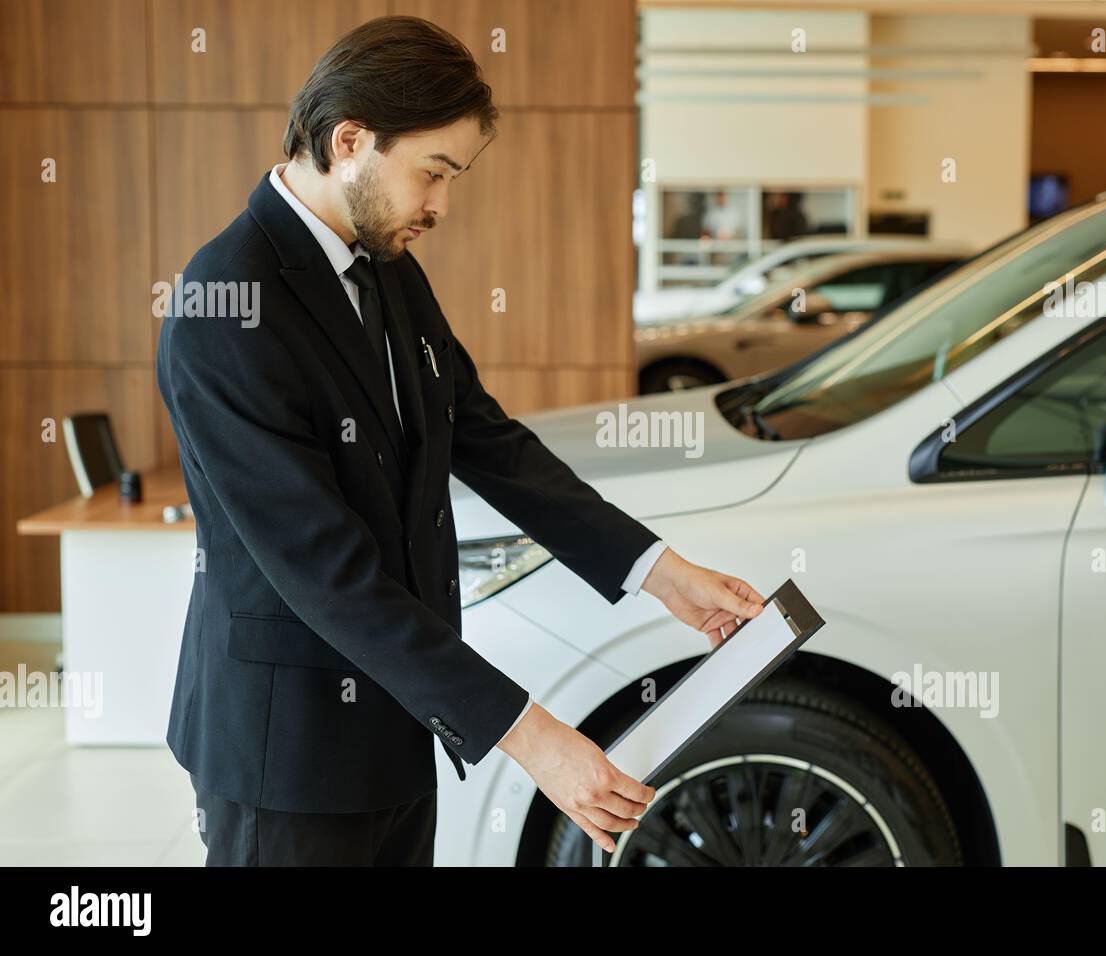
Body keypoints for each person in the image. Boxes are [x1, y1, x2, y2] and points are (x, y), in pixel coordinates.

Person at [156, 15, 764, 866]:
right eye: (432, 172)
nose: (441, 205)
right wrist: (536, 739)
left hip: (399, 725)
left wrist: (663, 575)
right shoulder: (226, 302)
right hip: (283, 751)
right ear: (350, 140)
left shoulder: (387, 268)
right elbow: (327, 573)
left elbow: (483, 438)